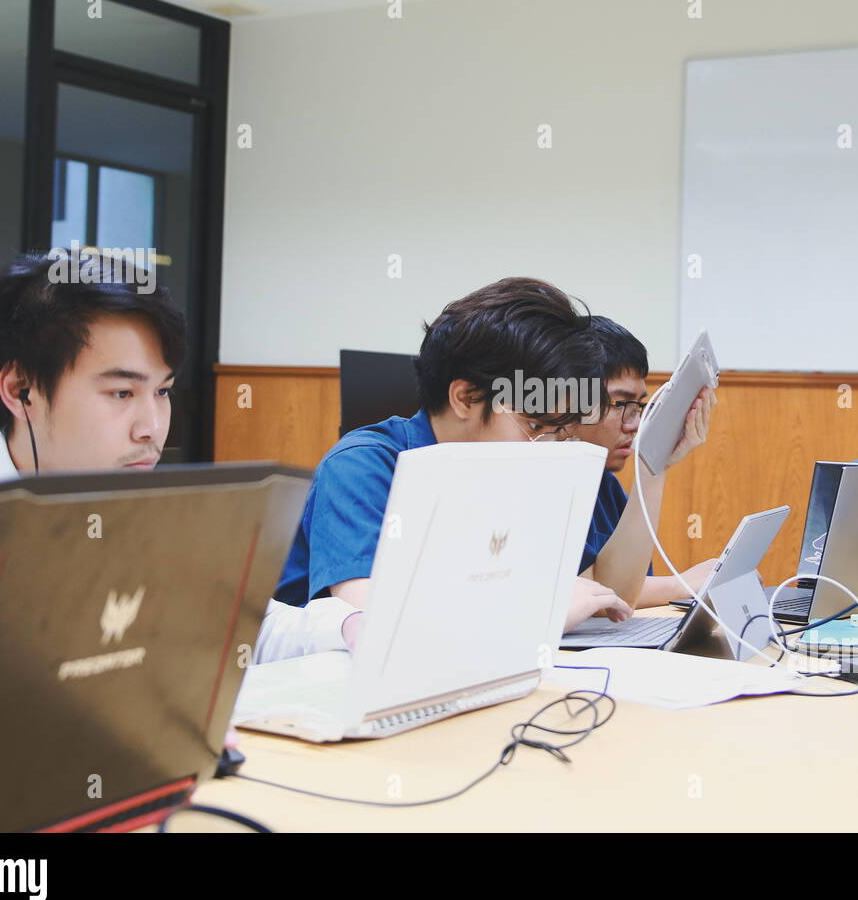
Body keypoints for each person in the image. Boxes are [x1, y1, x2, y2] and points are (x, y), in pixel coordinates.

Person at [259, 278, 640, 661]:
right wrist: (537, 610)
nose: (548, 447)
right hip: (325, 689)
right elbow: (379, 615)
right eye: (536, 427)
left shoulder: (506, 471)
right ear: (466, 397)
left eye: (558, 430)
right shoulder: (361, 466)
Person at [0, 250, 186, 606]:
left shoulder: (161, 512)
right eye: (122, 392)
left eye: (162, 391)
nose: (152, 428)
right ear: (21, 390)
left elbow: (249, 620)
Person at [571, 317, 717, 608]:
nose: (634, 423)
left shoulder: (605, 485)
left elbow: (624, 586)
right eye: (620, 404)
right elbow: (599, 595)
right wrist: (682, 583)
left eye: (638, 405)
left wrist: (656, 461)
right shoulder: (547, 482)